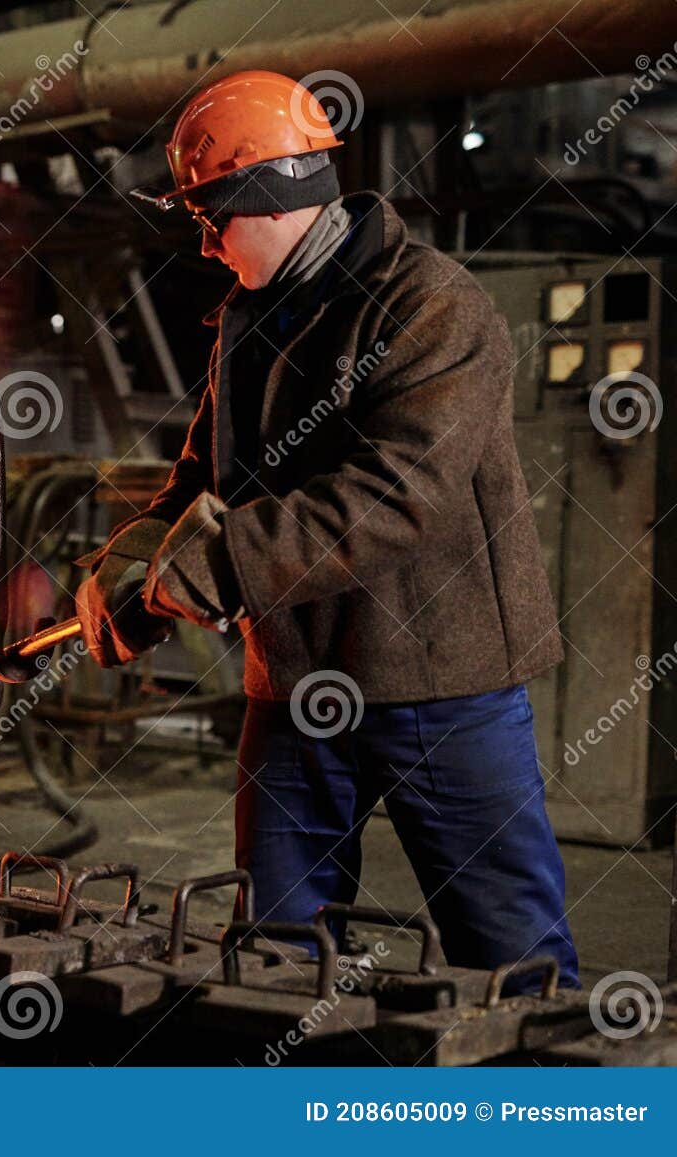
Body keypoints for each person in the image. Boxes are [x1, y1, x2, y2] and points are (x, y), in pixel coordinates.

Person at [75, 70, 578, 986]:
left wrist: (215, 567)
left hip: (434, 677)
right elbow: (200, 473)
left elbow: (393, 494)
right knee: (275, 945)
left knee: (511, 954)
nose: (205, 243)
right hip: (296, 678)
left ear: (266, 197)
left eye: (209, 217)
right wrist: (134, 557)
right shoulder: (251, 317)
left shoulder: (433, 306)